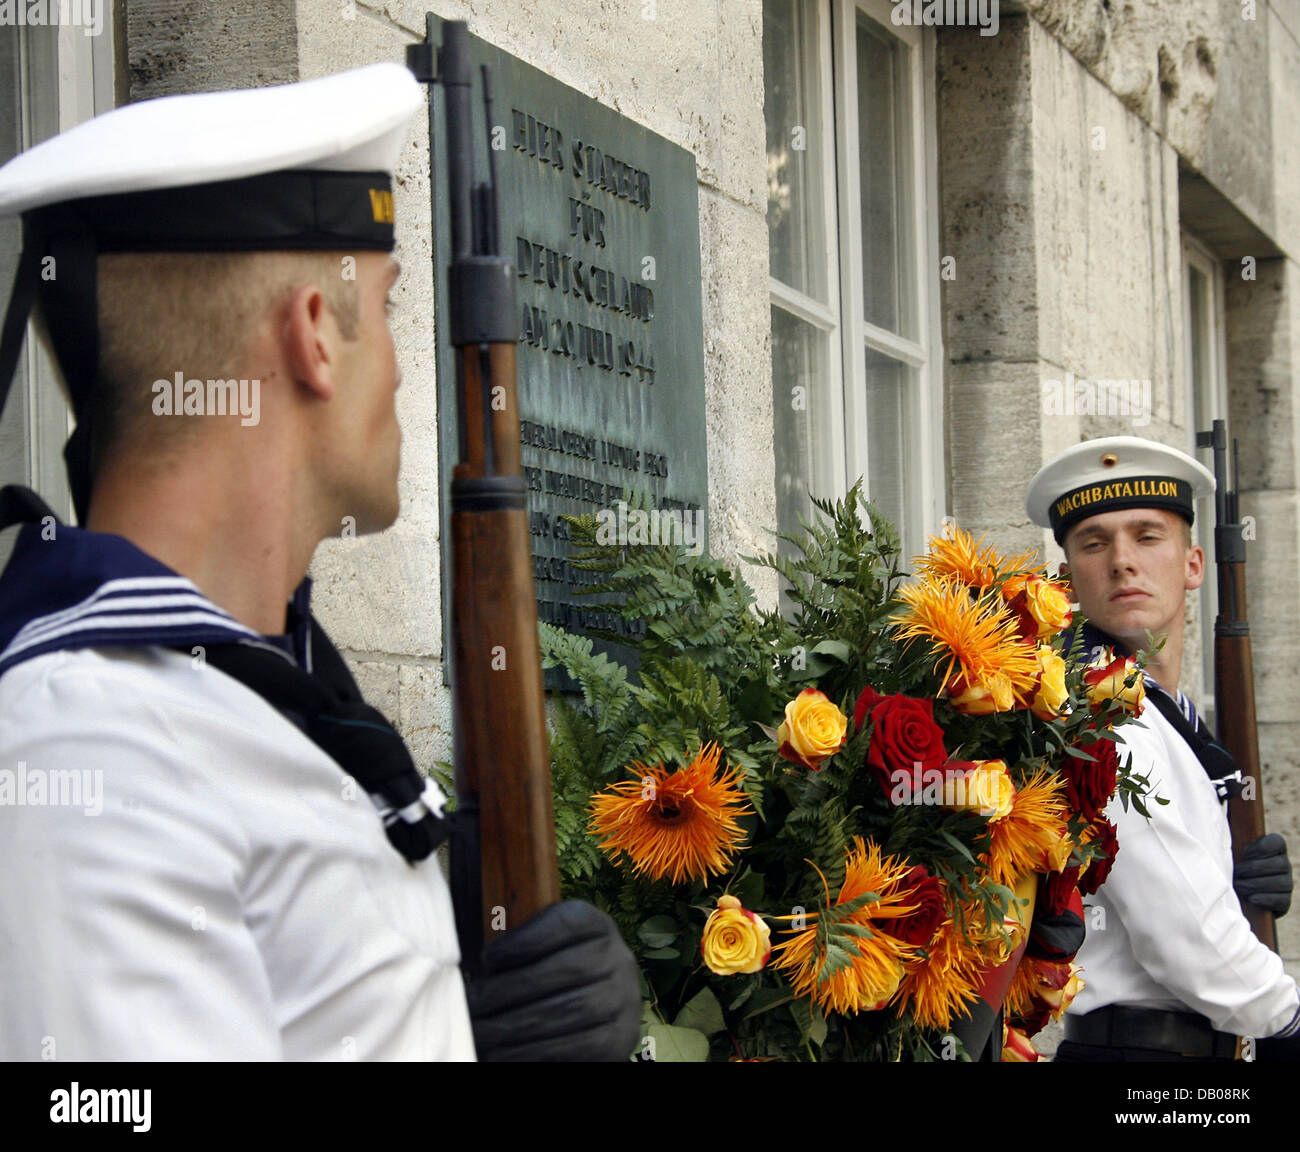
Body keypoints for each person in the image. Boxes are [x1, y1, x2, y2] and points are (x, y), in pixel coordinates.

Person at [0, 63, 640, 1061]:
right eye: (384, 309)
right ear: (314, 337)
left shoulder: (258, 691)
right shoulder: (91, 757)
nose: (397, 365)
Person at [1026, 435, 1299, 1061]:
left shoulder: (1168, 716)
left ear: (1194, 564)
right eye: (1095, 543)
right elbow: (1184, 936)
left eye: (1148, 536)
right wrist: (1284, 1019)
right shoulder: (1102, 717)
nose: (1123, 560)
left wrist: (1232, 882)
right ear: (1067, 580)